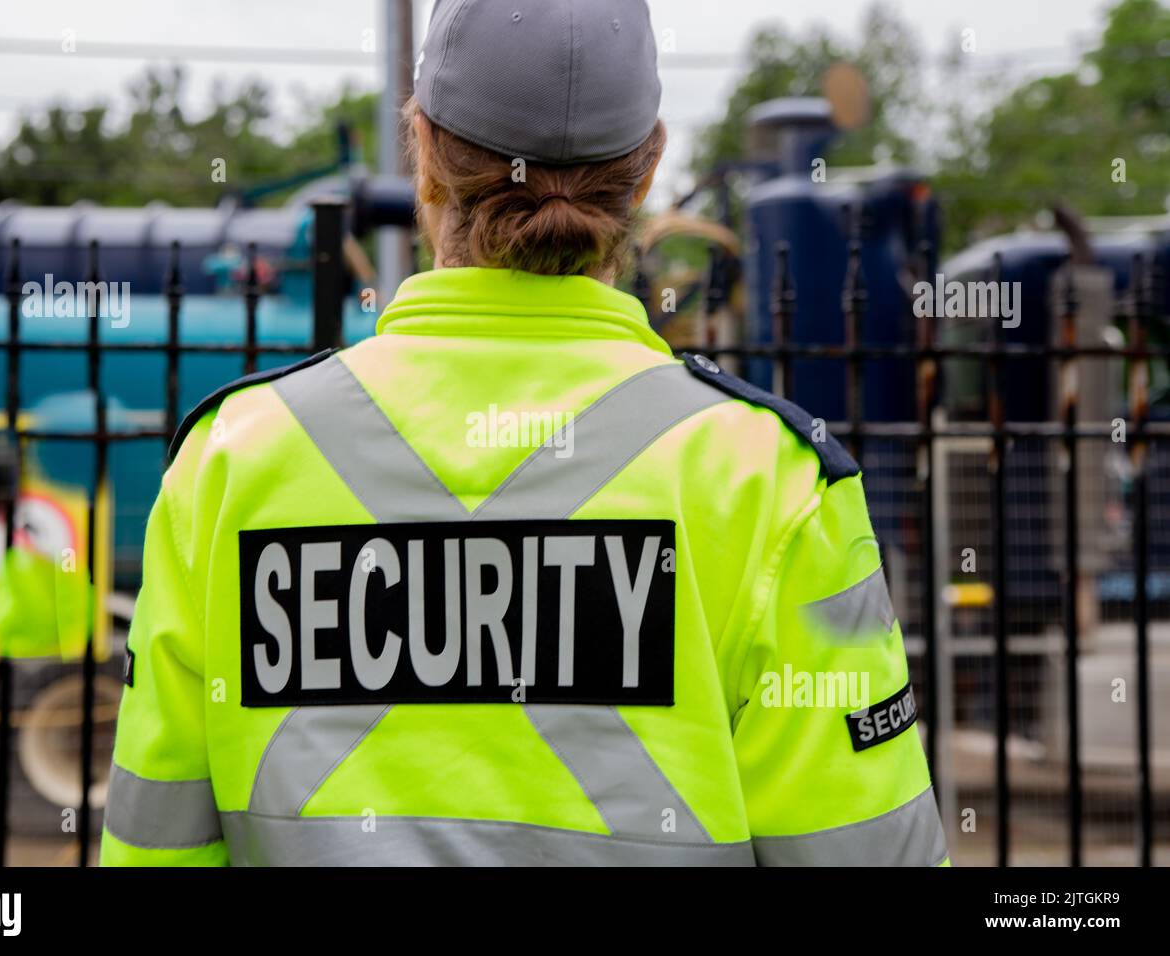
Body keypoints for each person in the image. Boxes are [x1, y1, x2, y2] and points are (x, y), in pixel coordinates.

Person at [101, 0, 948, 866]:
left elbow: (154, 846)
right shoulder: (771, 481)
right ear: (648, 168)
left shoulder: (229, 461)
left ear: (423, 153)